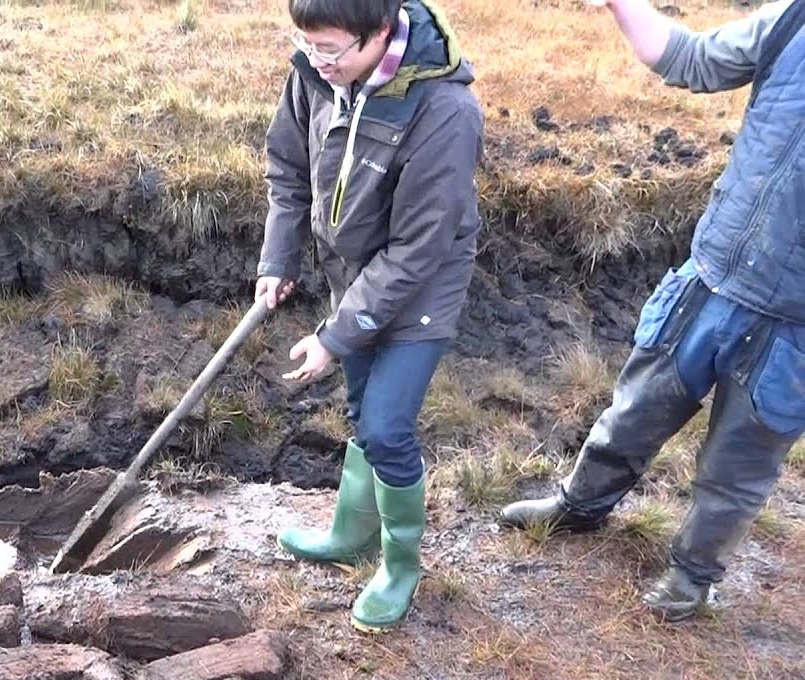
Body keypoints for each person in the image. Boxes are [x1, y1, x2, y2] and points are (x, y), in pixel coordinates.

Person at [499, 0, 805, 622]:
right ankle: (580, 507)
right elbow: (688, 58)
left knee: (738, 468)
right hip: (710, 279)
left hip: (792, 324)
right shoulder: (792, 20)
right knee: (634, 411)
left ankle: (693, 577)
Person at [255, 0, 483, 633]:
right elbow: (289, 170)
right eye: (308, 44)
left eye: (332, 50)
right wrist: (279, 257)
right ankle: (351, 536)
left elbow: (418, 249)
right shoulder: (313, 72)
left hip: (423, 285)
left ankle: (401, 565)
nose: (317, 61)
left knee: (385, 427)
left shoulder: (445, 113)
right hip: (350, 275)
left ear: (380, 33)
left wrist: (333, 335)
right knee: (359, 410)